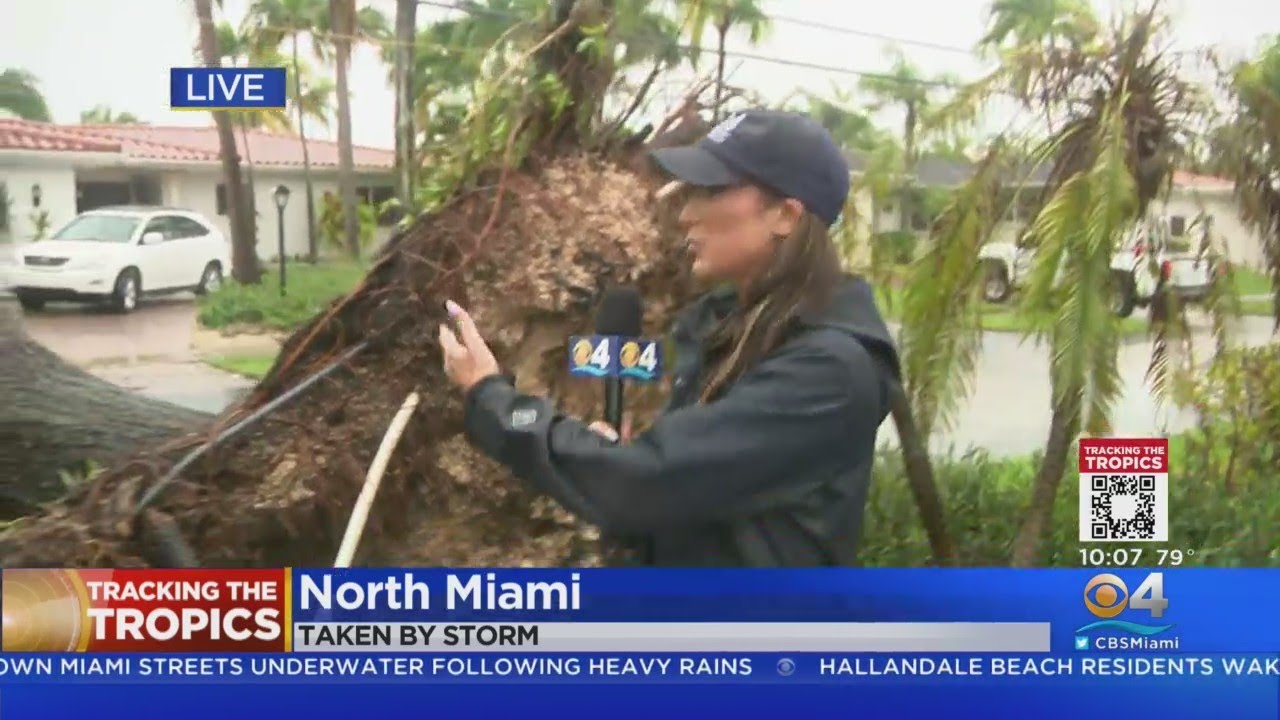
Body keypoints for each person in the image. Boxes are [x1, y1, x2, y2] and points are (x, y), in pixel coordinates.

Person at [438, 109, 901, 567]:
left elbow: (642, 486)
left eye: (711, 191)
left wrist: (492, 398)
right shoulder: (738, 333)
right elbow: (682, 492)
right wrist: (614, 460)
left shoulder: (827, 370)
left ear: (785, 214)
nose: (685, 214)